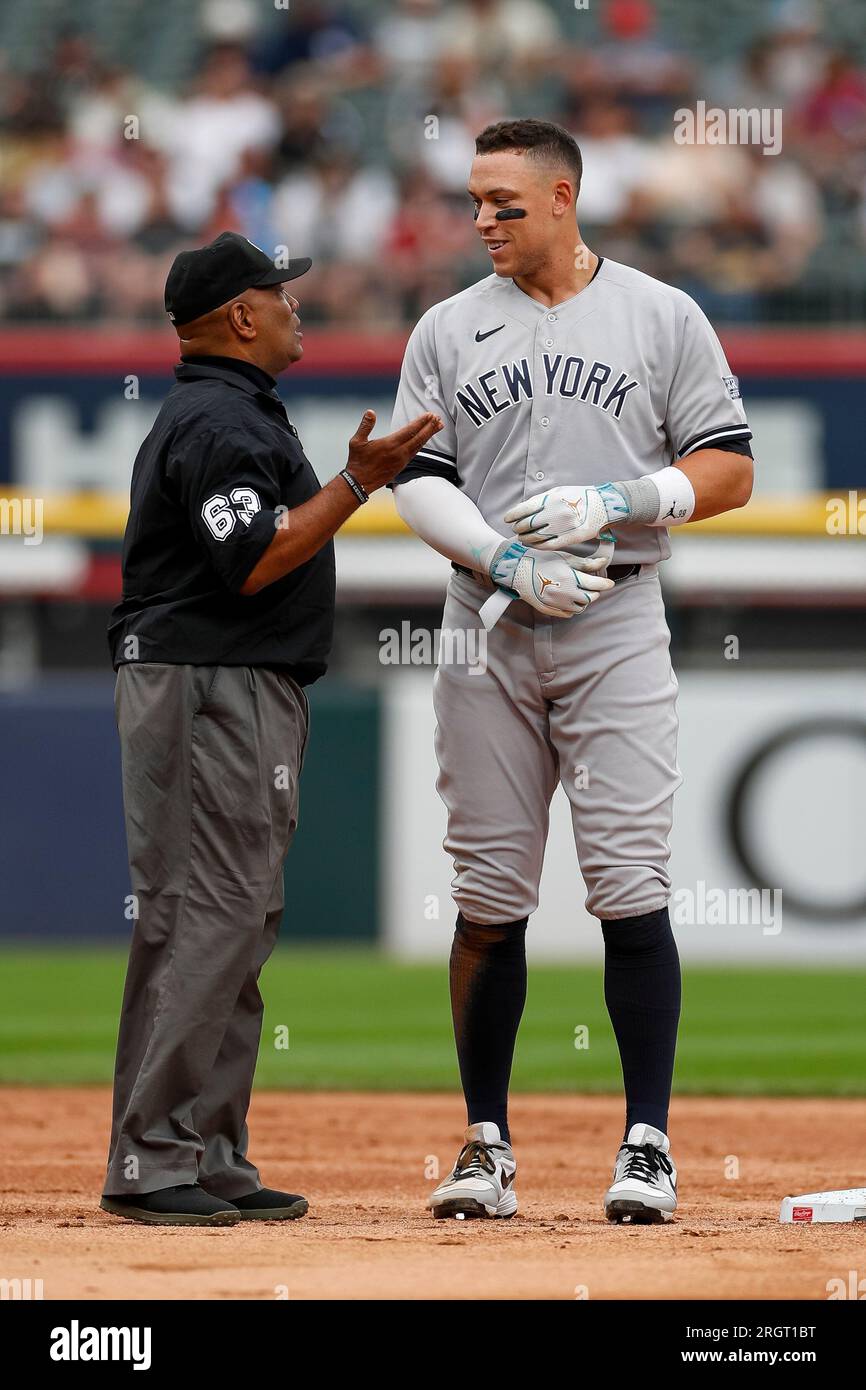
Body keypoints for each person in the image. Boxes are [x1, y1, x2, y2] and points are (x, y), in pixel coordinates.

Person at [390, 120, 753, 1224]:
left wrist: (622, 498)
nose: (483, 221)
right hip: (486, 617)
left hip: (615, 610)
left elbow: (730, 466)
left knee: (629, 884)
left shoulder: (658, 313)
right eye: (473, 202)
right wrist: (498, 554)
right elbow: (416, 476)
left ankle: (645, 1141)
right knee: (488, 894)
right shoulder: (449, 326)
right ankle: (485, 1142)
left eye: (503, 202)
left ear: (561, 195)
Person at [101, 231, 441, 1225]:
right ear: (241, 316)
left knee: (227, 914)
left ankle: (202, 1148)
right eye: (280, 295)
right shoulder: (217, 423)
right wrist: (357, 482)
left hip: (224, 681)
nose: (298, 306)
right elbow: (251, 559)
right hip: (210, 682)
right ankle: (152, 1154)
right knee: (213, 908)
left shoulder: (228, 413)